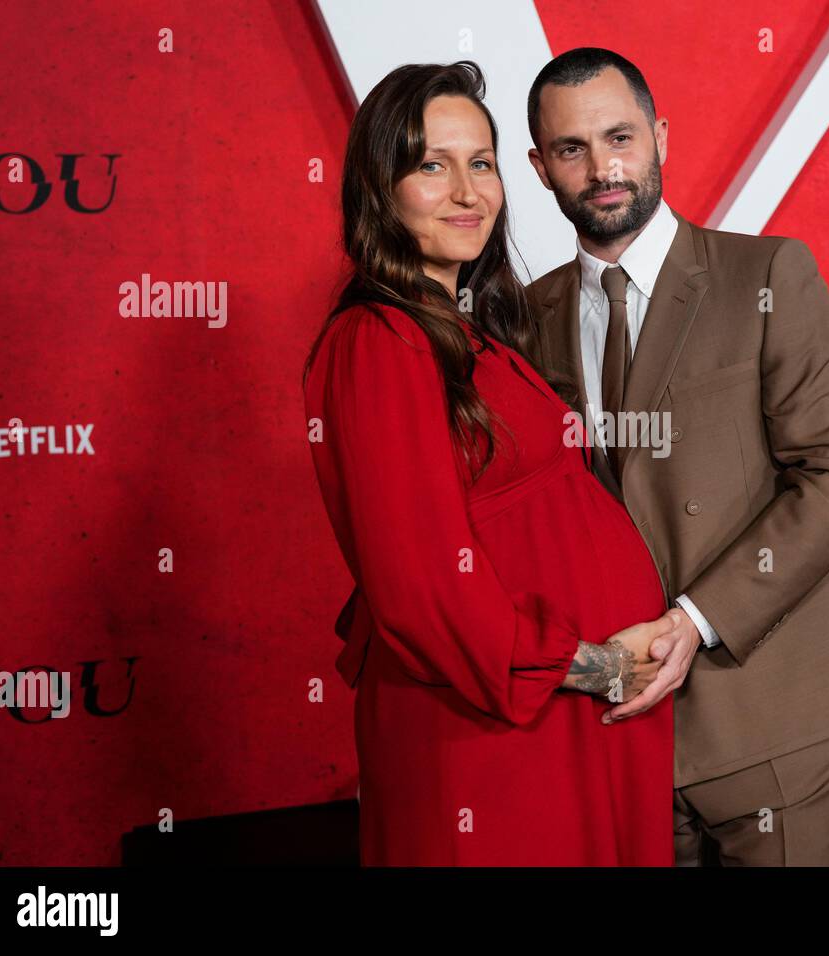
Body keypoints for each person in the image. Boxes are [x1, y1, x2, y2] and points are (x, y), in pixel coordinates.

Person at [302, 60, 675, 866]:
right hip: (493, 727)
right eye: (432, 166)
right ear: (381, 186)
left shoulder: (464, 324)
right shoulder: (377, 342)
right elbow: (420, 581)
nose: (468, 192)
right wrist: (595, 665)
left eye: (481, 163)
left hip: (557, 717)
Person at [523, 48, 829, 866]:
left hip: (769, 713)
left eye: (619, 136)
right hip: (618, 733)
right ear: (540, 167)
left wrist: (694, 620)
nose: (603, 166)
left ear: (659, 136)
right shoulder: (525, 315)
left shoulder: (766, 275)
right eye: (572, 149)